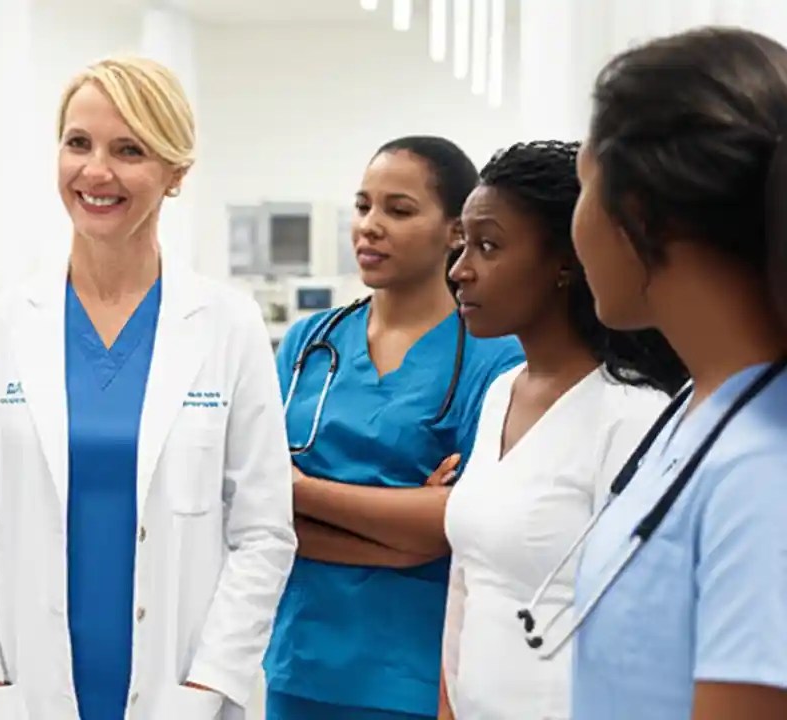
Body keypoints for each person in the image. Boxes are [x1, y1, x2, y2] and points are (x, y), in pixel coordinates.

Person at [0, 55, 296, 720]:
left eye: (128, 150)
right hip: (26, 694)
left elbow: (263, 532)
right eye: (79, 143)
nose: (96, 171)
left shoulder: (227, 325)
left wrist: (209, 685)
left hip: (179, 692)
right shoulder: (1, 327)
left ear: (176, 171)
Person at [544, 26, 787, 720]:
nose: (575, 226)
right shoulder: (701, 408)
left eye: (584, 186)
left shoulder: (763, 472)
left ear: (640, 213)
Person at [265, 136, 525, 720]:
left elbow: (459, 524)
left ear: (456, 230)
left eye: (398, 210)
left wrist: (302, 490)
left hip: (416, 675)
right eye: (363, 207)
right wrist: (403, 535)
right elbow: (255, 508)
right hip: (300, 662)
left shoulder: (493, 360)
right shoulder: (310, 344)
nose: (370, 226)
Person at [438, 140, 687, 720]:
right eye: (462, 246)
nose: (459, 271)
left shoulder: (632, 415)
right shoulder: (503, 392)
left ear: (566, 262)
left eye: (489, 247)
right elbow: (468, 584)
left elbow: (647, 633)